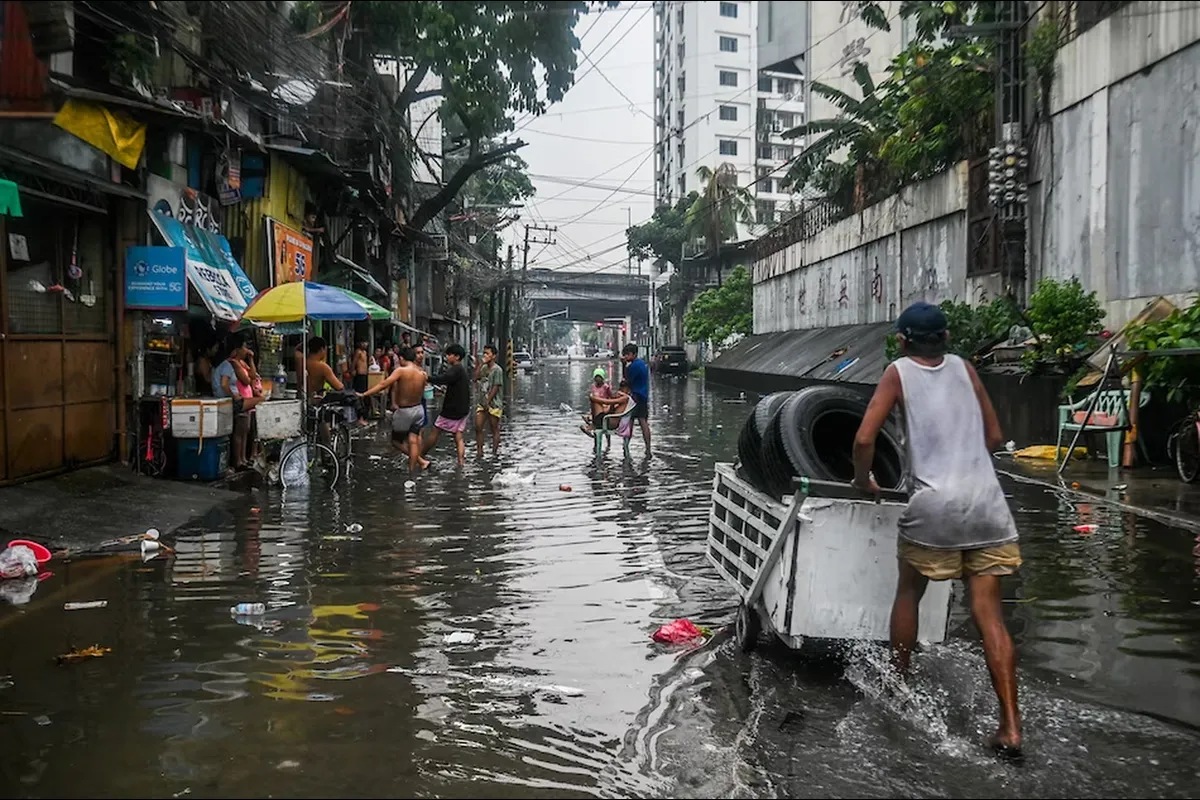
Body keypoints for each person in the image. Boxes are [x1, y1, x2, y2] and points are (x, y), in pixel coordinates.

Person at [851, 301, 1023, 756]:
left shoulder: (898, 372)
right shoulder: (966, 369)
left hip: (934, 506)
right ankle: (1010, 727)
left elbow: (865, 438)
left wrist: (862, 478)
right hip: (988, 504)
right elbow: (994, 438)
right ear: (946, 338)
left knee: (909, 592)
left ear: (902, 341)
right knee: (991, 616)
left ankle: (898, 683)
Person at [360, 346, 430, 472]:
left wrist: (365, 394)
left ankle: (420, 461)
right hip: (419, 410)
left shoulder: (401, 371)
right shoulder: (422, 373)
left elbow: (383, 384)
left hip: (405, 411)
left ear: (402, 358)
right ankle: (413, 471)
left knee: (395, 441)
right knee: (413, 440)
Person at [213, 334, 263, 471]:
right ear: (236, 350)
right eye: (244, 347)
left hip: (234, 399)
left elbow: (252, 376)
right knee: (260, 402)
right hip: (229, 400)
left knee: (243, 430)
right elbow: (224, 384)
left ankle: (242, 459)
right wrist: (234, 395)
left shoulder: (237, 364)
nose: (246, 350)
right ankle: (239, 461)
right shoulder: (230, 364)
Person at [421, 344, 470, 466]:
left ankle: (419, 456)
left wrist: (428, 378)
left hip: (452, 409)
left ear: (457, 357)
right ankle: (461, 463)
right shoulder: (461, 370)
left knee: (435, 431)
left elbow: (444, 378)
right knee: (458, 436)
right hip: (463, 409)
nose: (447, 357)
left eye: (449, 355)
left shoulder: (456, 369)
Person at [620, 343, 651, 454]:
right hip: (643, 395)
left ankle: (626, 447)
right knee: (643, 421)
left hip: (635, 397)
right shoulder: (643, 364)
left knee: (630, 421)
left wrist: (623, 365)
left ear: (633, 354)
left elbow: (627, 380)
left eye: (627, 355)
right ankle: (648, 448)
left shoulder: (633, 366)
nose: (626, 357)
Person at [474, 344, 504, 457]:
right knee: (478, 426)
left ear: (494, 356)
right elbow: (475, 378)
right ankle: (479, 452)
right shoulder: (483, 368)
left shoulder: (497, 370)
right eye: (484, 353)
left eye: (487, 353)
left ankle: (494, 452)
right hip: (482, 403)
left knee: (494, 428)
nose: (485, 355)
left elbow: (496, 387)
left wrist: (488, 401)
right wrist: (481, 364)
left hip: (494, 404)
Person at [580, 367, 619, 436]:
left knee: (598, 417)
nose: (597, 379)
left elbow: (611, 396)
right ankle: (591, 422)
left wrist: (608, 403)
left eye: (599, 377)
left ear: (602, 378)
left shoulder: (606, 387)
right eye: (596, 377)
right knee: (594, 411)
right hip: (596, 406)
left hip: (604, 405)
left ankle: (591, 424)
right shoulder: (593, 386)